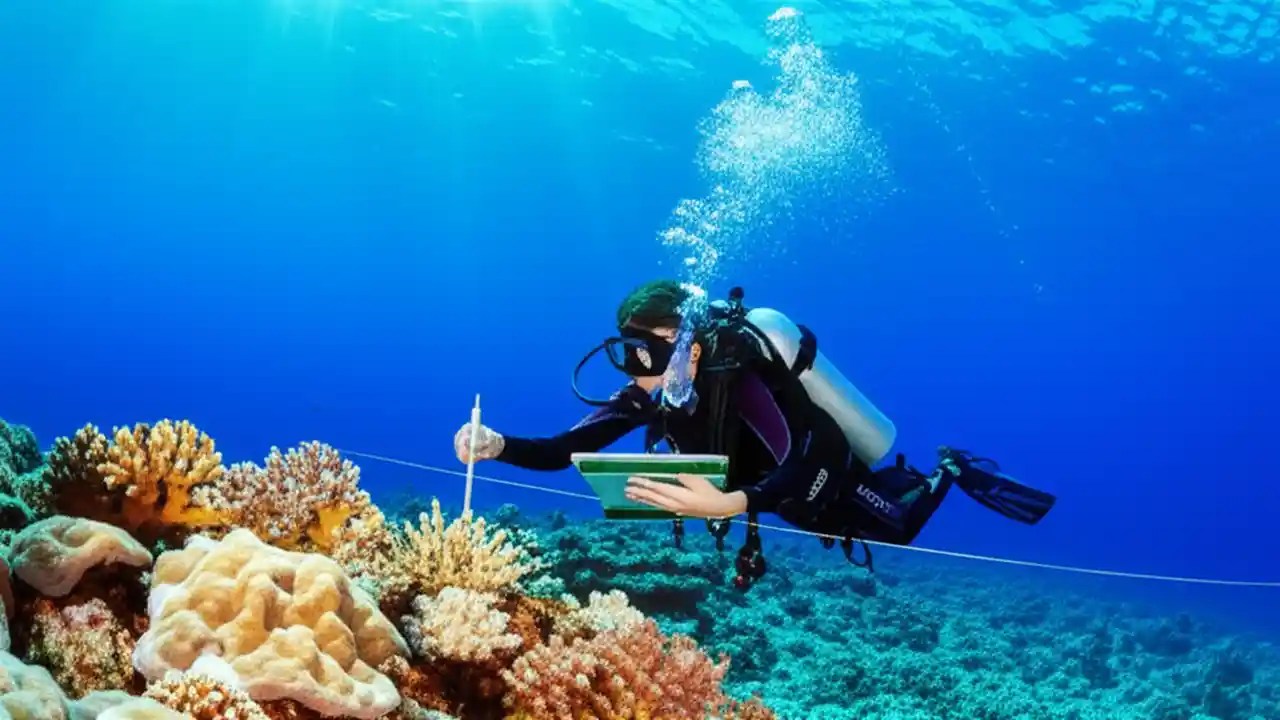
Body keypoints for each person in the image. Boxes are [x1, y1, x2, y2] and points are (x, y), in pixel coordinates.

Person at [453, 280, 1056, 589]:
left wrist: (732, 502)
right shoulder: (651, 391)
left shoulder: (736, 377)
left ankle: (950, 468)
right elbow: (565, 450)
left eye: (646, 353)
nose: (639, 374)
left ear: (687, 343)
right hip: (772, 493)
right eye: (628, 355)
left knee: (898, 529)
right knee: (823, 518)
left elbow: (813, 453)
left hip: (824, 475)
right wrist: (498, 444)